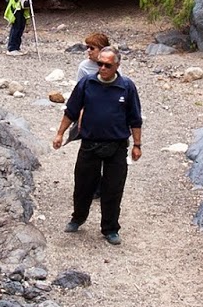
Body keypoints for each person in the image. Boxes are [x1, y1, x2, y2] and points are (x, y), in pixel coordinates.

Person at [52, 47, 142, 244]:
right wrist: (60, 133)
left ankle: (110, 228)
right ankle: (78, 218)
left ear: (117, 65)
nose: (102, 68)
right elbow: (71, 110)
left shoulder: (126, 87)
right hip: (90, 144)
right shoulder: (87, 83)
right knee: (83, 184)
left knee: (113, 188)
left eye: (107, 65)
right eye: (99, 64)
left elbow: (135, 118)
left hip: (117, 147)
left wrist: (137, 144)